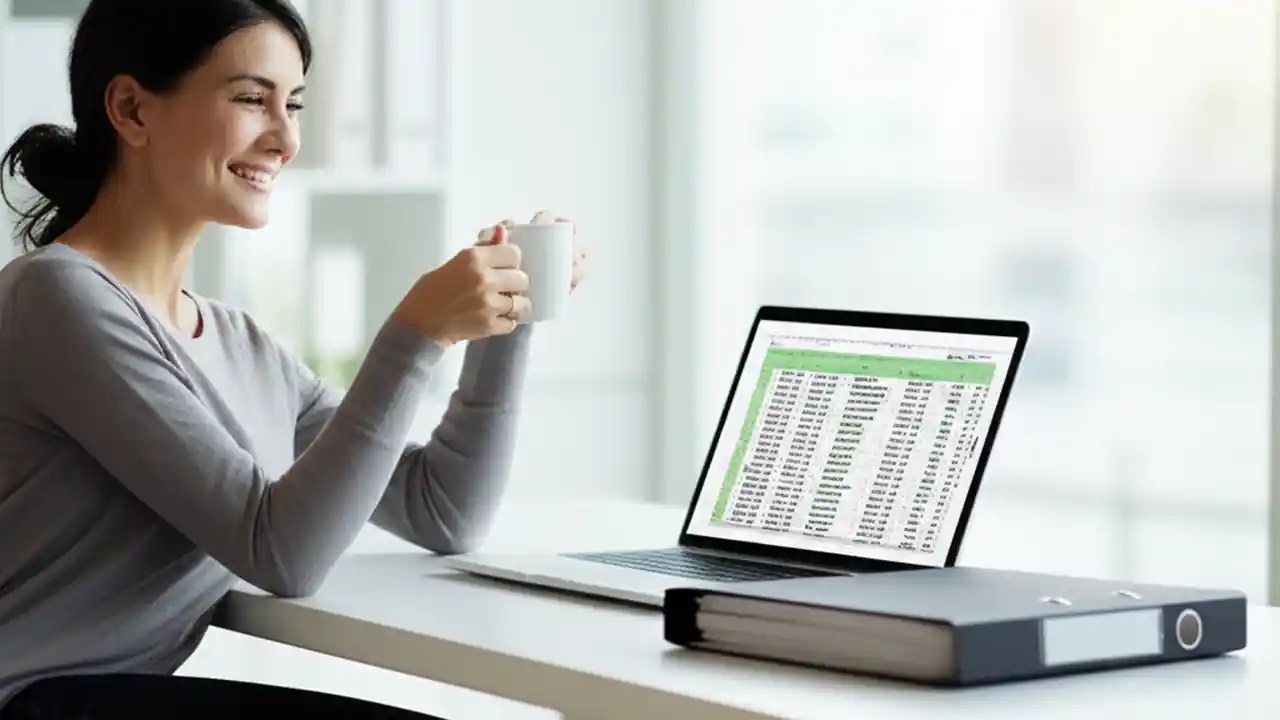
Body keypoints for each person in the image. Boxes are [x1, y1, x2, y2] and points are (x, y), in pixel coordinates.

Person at [0, 0, 589, 717]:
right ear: (131, 109)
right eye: (252, 100)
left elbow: (442, 509)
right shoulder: (56, 297)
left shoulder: (238, 343)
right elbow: (281, 554)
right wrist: (415, 336)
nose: (285, 138)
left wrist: (510, 313)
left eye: (295, 105)